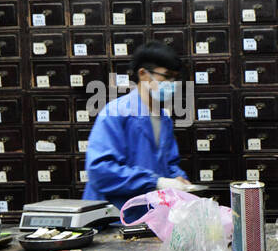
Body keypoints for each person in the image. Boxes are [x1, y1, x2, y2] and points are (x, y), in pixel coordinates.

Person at [83, 41, 194, 217]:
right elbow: (100, 171)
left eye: (175, 78)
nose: (171, 83)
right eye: (166, 76)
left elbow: (169, 164)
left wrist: (179, 181)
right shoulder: (115, 113)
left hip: (148, 217)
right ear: (143, 74)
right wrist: (156, 182)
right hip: (113, 217)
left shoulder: (163, 119)